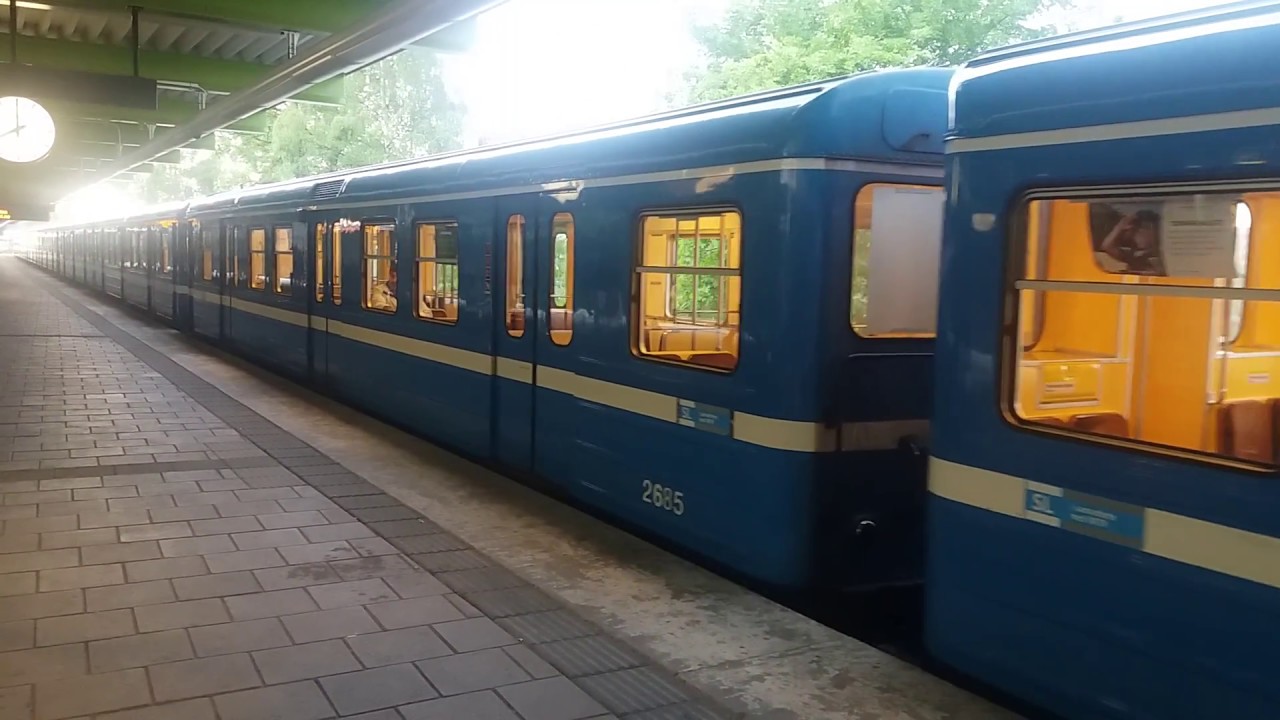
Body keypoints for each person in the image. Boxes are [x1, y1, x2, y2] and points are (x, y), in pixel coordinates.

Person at [1100, 209, 1165, 275]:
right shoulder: (1134, 255)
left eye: (1141, 228)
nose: (1135, 234)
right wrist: (1121, 226)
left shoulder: (1163, 255)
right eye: (1135, 229)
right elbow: (1107, 246)